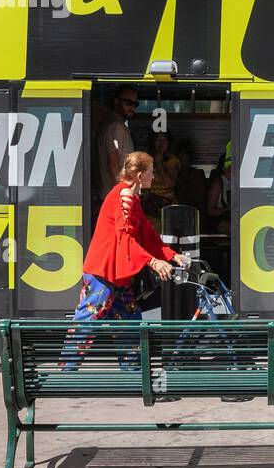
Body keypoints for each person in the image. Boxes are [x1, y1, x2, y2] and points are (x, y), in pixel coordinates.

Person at [60, 151, 191, 369]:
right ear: (140, 176)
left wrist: (172, 255)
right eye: (151, 172)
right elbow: (125, 238)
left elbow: (148, 237)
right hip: (104, 274)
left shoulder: (132, 198)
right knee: (86, 325)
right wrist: (154, 262)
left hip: (118, 276)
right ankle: (66, 372)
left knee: (130, 327)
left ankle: (133, 374)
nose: (154, 177)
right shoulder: (124, 196)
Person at [95, 86, 137, 199]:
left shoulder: (115, 125)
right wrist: (125, 195)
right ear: (116, 102)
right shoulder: (115, 127)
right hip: (115, 198)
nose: (132, 107)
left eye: (135, 104)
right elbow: (113, 164)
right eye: (128, 103)